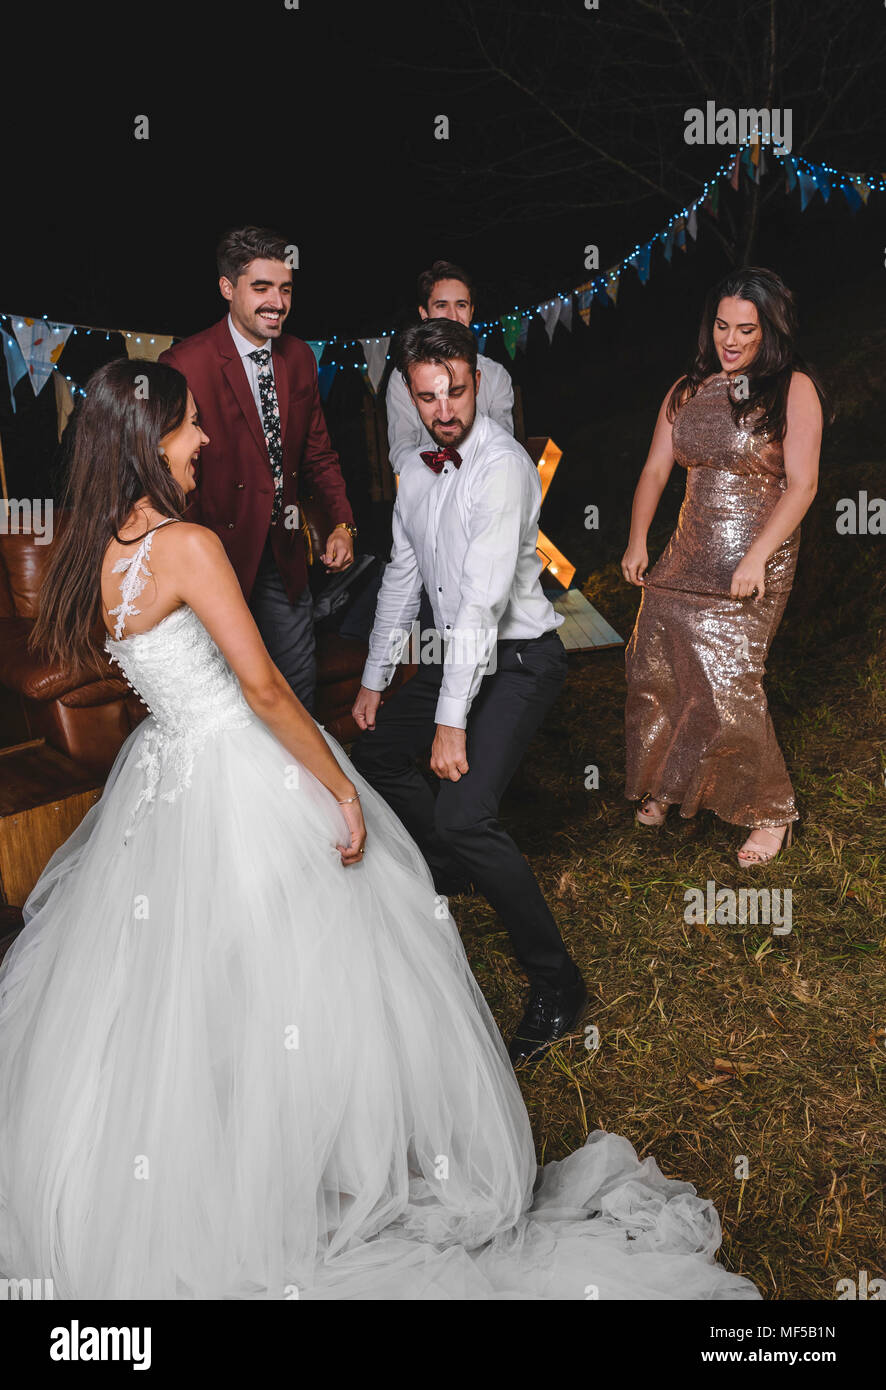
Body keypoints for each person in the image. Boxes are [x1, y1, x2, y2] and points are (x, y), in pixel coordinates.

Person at [0, 357, 760, 1301]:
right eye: (191, 425)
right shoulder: (184, 545)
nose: (202, 440)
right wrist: (341, 789)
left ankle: (234, 1174)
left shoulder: (95, 553)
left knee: (197, 993)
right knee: (315, 973)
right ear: (149, 438)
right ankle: (333, 1172)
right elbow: (267, 688)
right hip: (236, 768)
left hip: (162, 781)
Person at [351, 319, 586, 1066]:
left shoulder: (504, 465)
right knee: (378, 751)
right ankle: (451, 867)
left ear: (476, 382)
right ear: (411, 399)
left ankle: (558, 985)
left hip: (518, 659)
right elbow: (402, 577)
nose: (445, 408)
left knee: (465, 812)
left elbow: (484, 604)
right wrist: (373, 678)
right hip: (457, 653)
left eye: (456, 389)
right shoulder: (416, 473)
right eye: (428, 396)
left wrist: (451, 724)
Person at [622, 267, 826, 865]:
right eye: (721, 326)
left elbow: (804, 485)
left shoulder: (793, 389)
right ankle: (666, 780)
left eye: (746, 330)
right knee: (653, 658)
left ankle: (770, 810)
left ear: (771, 331)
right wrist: (638, 541)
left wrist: (756, 557)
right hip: (687, 551)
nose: (730, 341)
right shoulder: (688, 388)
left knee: (727, 676)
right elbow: (657, 469)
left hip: (755, 556)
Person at [158, 225, 357, 713]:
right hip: (215, 558)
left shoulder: (300, 358)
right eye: (262, 288)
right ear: (228, 289)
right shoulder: (183, 362)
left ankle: (307, 787)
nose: (277, 302)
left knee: (296, 693)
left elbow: (318, 453)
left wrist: (342, 522)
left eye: (285, 288)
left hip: (283, 555)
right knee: (226, 702)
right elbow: (166, 471)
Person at [386, 260, 514, 475]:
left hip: (484, 481)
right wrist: (435, 475)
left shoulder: (496, 375)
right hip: (428, 485)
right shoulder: (403, 377)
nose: (453, 316)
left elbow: (504, 442)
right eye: (442, 305)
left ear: (471, 311)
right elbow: (402, 450)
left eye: (461, 305)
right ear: (424, 313)